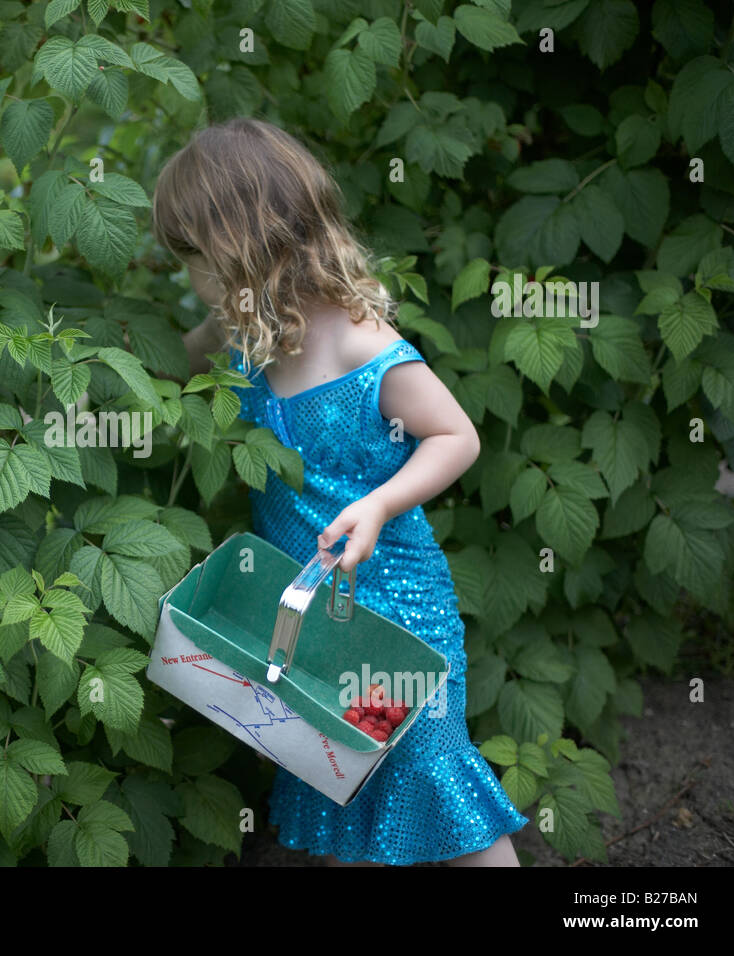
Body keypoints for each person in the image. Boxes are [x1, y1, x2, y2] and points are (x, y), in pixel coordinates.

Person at [151, 116, 527, 866]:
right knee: (338, 773)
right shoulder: (239, 331)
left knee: (427, 771)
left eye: (193, 258)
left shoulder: (360, 341)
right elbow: (166, 364)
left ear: (240, 248)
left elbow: (457, 436)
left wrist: (381, 503)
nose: (190, 277)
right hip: (310, 611)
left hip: (393, 613)